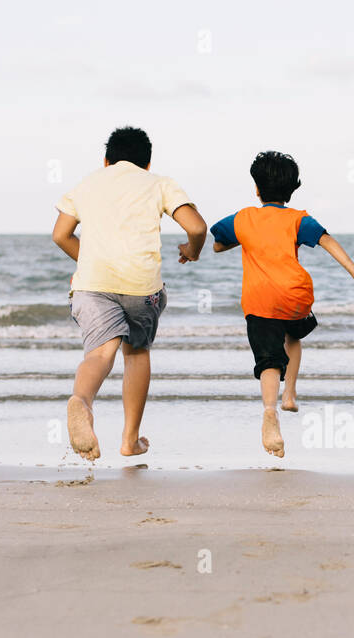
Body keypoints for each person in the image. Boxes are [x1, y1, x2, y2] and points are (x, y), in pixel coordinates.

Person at [211, 150, 354, 458]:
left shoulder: (243, 218)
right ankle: (289, 393)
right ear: (292, 189)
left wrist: (236, 241)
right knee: (293, 335)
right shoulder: (298, 220)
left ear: (256, 188)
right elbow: (327, 240)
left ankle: (270, 410)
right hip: (295, 295)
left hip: (260, 299)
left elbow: (217, 242)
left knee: (268, 358)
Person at [51, 126, 207, 461]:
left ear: (106, 160)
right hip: (141, 286)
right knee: (136, 353)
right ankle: (129, 440)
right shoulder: (158, 183)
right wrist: (192, 251)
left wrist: (90, 259)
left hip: (92, 284)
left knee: (99, 354)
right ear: (147, 164)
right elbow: (196, 227)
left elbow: (61, 234)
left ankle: (81, 401)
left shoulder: (88, 182)